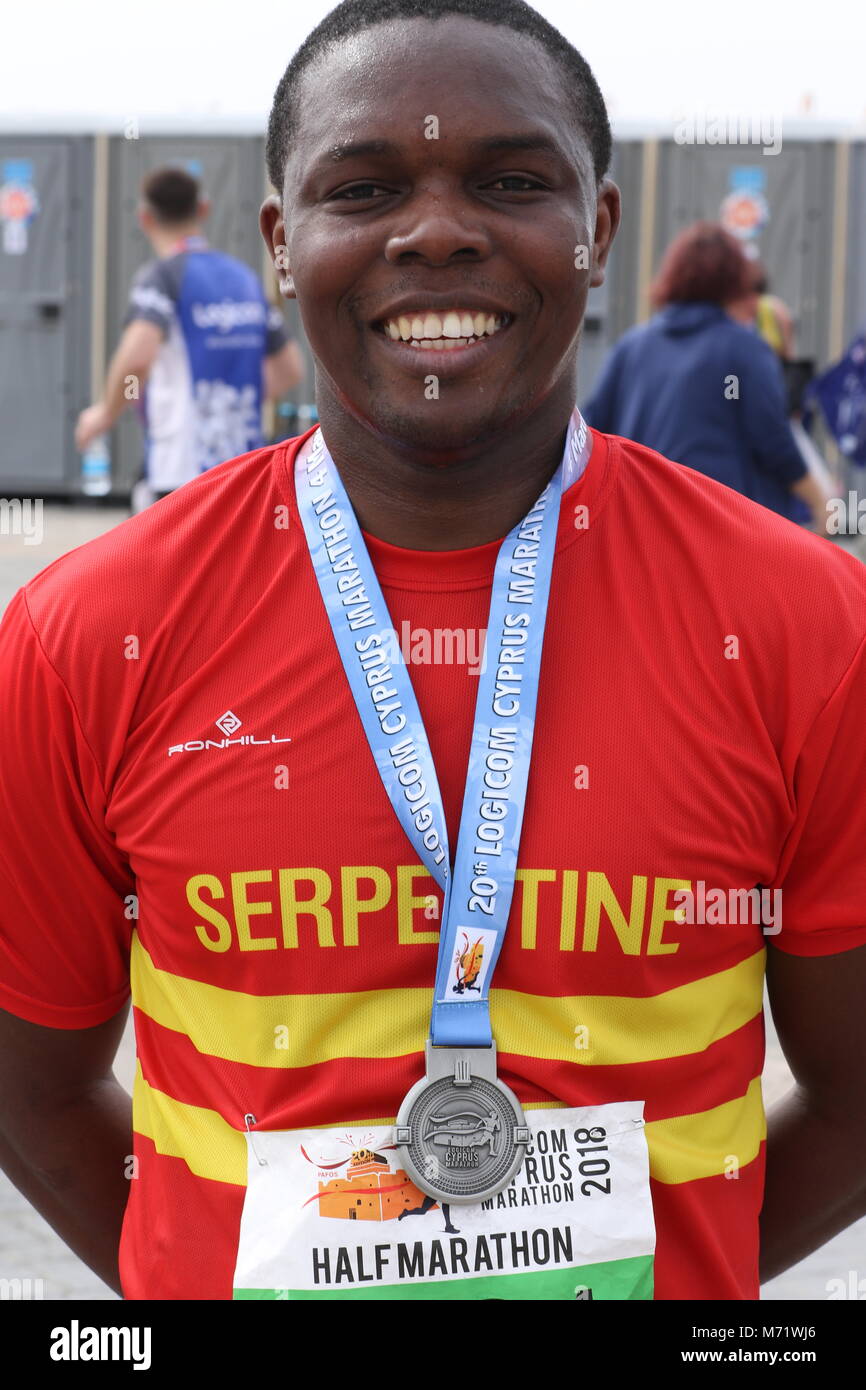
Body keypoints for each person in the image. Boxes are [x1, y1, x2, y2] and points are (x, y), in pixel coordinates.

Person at [1, 0, 865, 1304]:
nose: (439, 229)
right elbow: (34, 1092)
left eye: (513, 180)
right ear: (284, 246)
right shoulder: (89, 631)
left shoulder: (804, 622)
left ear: (600, 233)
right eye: (365, 187)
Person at [75, 166, 305, 508]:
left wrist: (105, 413)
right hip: (243, 468)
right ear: (203, 210)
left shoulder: (161, 278)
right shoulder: (243, 280)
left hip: (178, 471)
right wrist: (231, 394)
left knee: (158, 561)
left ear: (144, 218)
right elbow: (290, 368)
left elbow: (138, 355)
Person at [583, 222, 827, 525]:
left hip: (641, 526)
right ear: (735, 281)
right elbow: (773, 441)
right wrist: (821, 501)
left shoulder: (631, 347)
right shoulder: (745, 349)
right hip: (723, 528)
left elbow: (590, 435)